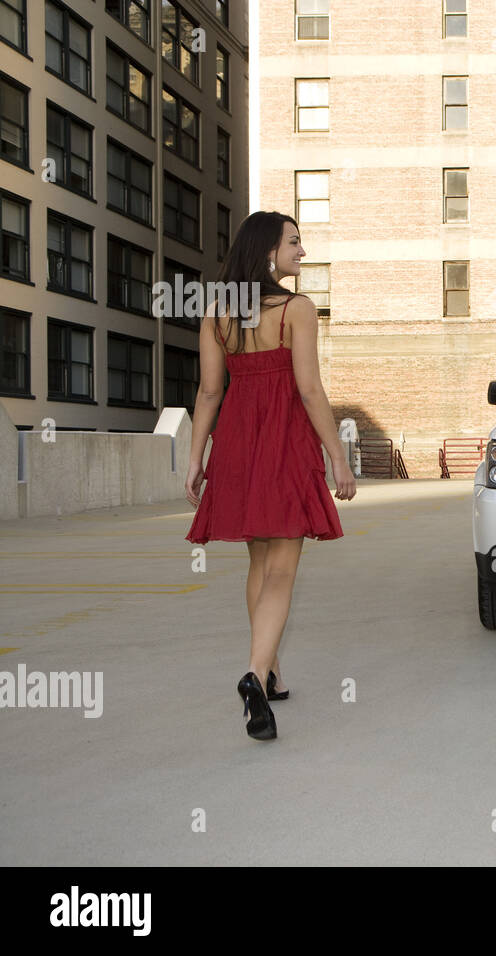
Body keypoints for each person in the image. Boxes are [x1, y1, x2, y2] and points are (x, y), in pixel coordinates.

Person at [184, 211, 357, 741]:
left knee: (259, 562)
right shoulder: (297, 309)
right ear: (267, 251)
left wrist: (195, 458)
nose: (302, 251)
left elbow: (209, 392)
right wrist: (337, 455)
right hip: (284, 444)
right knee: (281, 569)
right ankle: (255, 676)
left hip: (237, 444)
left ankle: (272, 672)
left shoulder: (217, 313)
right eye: (294, 242)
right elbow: (309, 388)